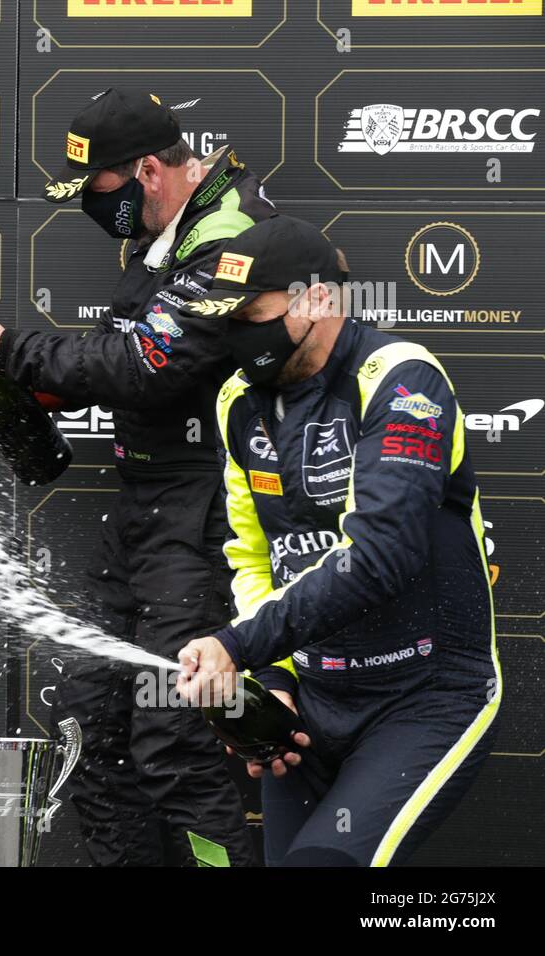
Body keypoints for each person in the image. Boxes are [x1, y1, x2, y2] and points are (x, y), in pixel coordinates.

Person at [0, 87, 276, 866]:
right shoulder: (162, 239)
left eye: (97, 191)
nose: (89, 207)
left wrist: (11, 353)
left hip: (207, 521)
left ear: (149, 170)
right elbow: (128, 356)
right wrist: (23, 392)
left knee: (175, 744)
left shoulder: (235, 236)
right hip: (146, 516)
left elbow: (152, 365)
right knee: (93, 731)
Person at [175, 216, 500, 866]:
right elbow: (252, 556)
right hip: (311, 704)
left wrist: (239, 647)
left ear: (318, 299)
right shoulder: (237, 400)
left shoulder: (402, 378)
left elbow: (382, 557)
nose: (236, 333)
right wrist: (273, 679)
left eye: (251, 314)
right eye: (224, 318)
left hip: (425, 694)